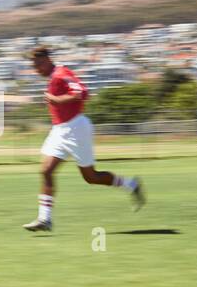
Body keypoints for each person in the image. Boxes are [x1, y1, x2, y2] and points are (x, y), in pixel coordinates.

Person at [22, 47, 144, 232]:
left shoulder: (61, 73)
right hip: (60, 130)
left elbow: (83, 92)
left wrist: (57, 100)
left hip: (76, 127)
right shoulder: (54, 77)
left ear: (48, 60)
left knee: (91, 177)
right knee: (46, 170)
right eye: (34, 66)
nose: (37, 69)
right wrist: (57, 101)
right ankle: (45, 219)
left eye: (39, 64)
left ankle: (131, 184)